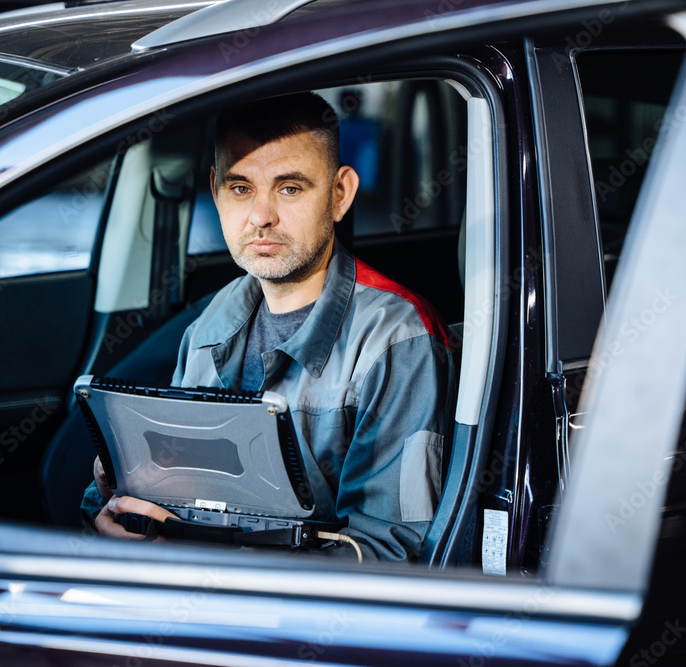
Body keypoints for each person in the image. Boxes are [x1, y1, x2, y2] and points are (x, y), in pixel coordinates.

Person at [81, 92, 456, 561]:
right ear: (216, 189)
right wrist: (121, 498)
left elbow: (385, 553)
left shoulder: (395, 338)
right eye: (241, 188)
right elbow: (187, 489)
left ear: (339, 194)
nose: (261, 216)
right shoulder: (214, 319)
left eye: (290, 188)